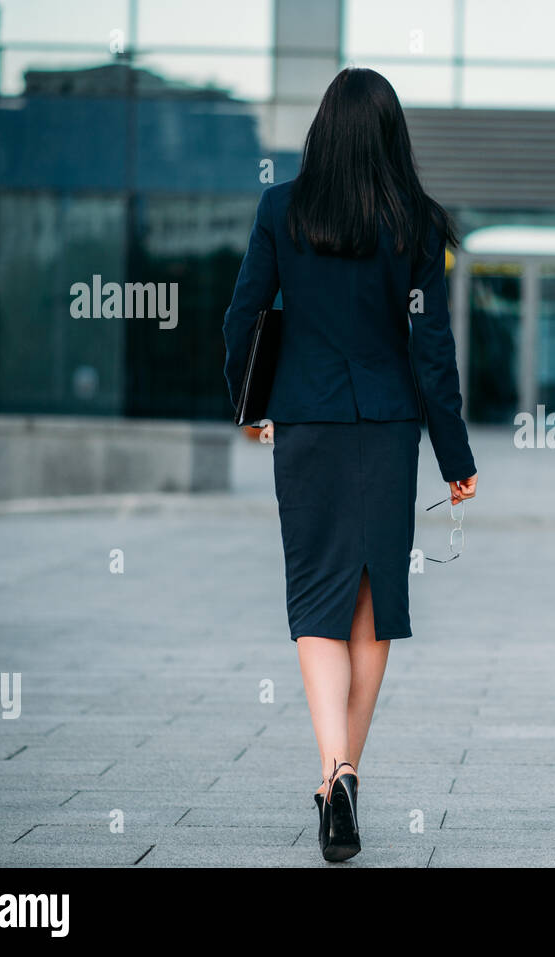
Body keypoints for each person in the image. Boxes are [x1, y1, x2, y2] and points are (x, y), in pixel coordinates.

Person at [223, 68, 478, 862]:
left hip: (306, 423)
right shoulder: (417, 223)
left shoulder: (281, 210)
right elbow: (431, 348)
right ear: (390, 134)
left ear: (323, 129)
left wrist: (250, 404)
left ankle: (332, 769)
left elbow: (244, 314)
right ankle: (346, 776)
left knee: (315, 597)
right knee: (372, 602)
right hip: (387, 426)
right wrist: (455, 455)